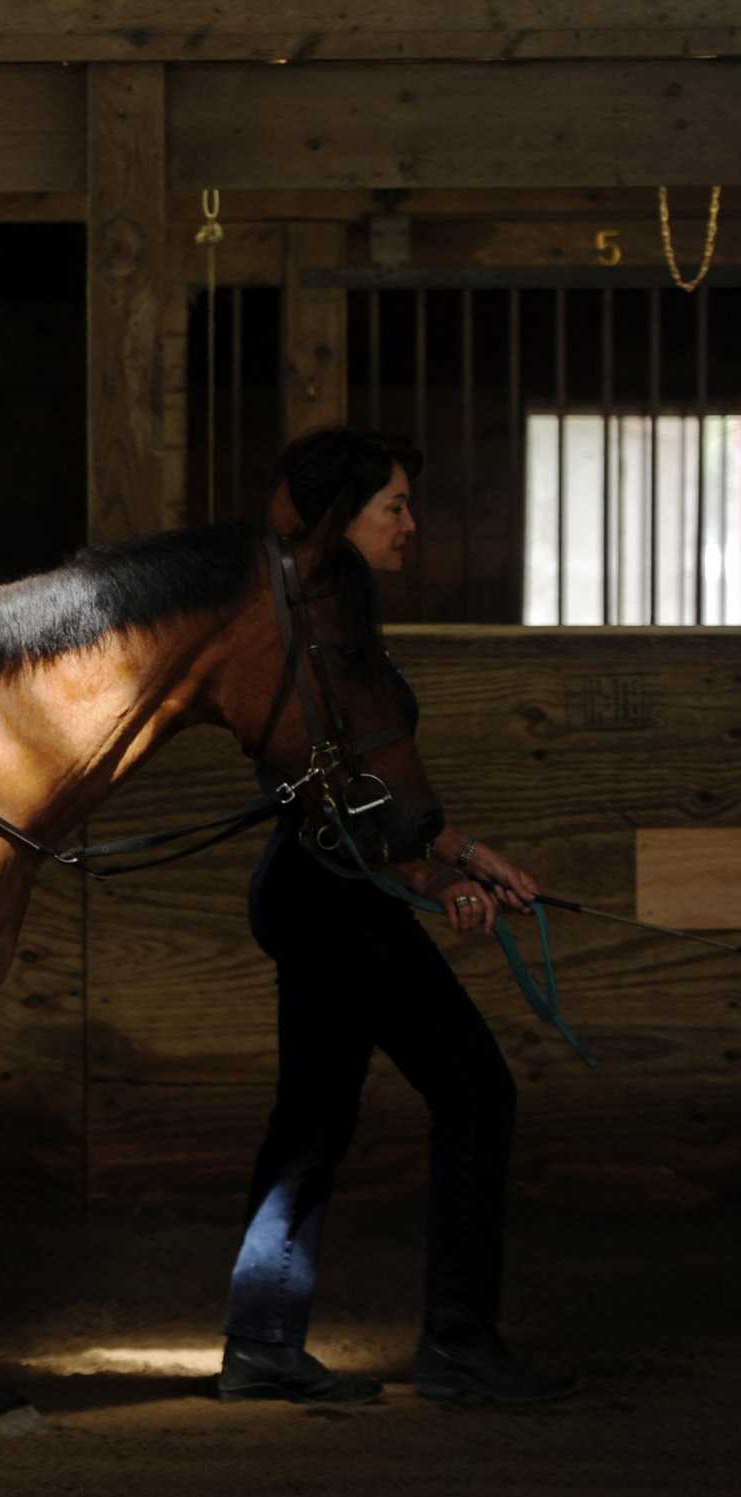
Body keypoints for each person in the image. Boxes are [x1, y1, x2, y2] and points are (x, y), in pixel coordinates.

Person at [217, 427, 578, 1407]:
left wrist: (461, 852)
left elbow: (368, 784)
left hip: (322, 889)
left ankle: (262, 1344)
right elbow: (323, 790)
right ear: (345, 514)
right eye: (394, 506)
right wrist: (426, 872)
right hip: (334, 894)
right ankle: (457, 1342)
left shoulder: (335, 617)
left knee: (314, 1114)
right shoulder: (308, 629)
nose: (410, 524)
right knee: (474, 1091)